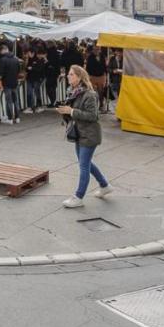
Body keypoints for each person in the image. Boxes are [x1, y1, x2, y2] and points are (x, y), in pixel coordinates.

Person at [56, 65, 112, 208]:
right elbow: (75, 113)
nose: (68, 76)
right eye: (68, 74)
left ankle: (78, 197)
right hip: (79, 133)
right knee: (86, 163)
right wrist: (65, 112)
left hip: (90, 135)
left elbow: (93, 116)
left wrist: (72, 111)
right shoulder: (73, 92)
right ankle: (105, 185)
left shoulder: (89, 94)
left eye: (71, 74)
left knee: (83, 166)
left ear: (80, 77)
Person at [0, 44, 22, 125]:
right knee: (16, 100)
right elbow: (19, 70)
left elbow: (1, 73)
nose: (0, 53)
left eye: (0, 51)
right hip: (15, 82)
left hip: (6, 83)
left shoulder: (2, 60)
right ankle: (17, 118)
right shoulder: (16, 59)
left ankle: (10, 118)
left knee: (9, 101)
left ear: (3, 50)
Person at [86, 46, 108, 111]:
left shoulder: (102, 56)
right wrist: (89, 75)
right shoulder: (90, 57)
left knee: (101, 91)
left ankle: (101, 104)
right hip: (93, 76)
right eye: (95, 49)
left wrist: (105, 72)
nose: (97, 51)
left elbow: (104, 65)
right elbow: (88, 67)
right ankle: (93, 105)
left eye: (98, 49)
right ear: (93, 50)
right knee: (93, 92)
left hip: (101, 76)